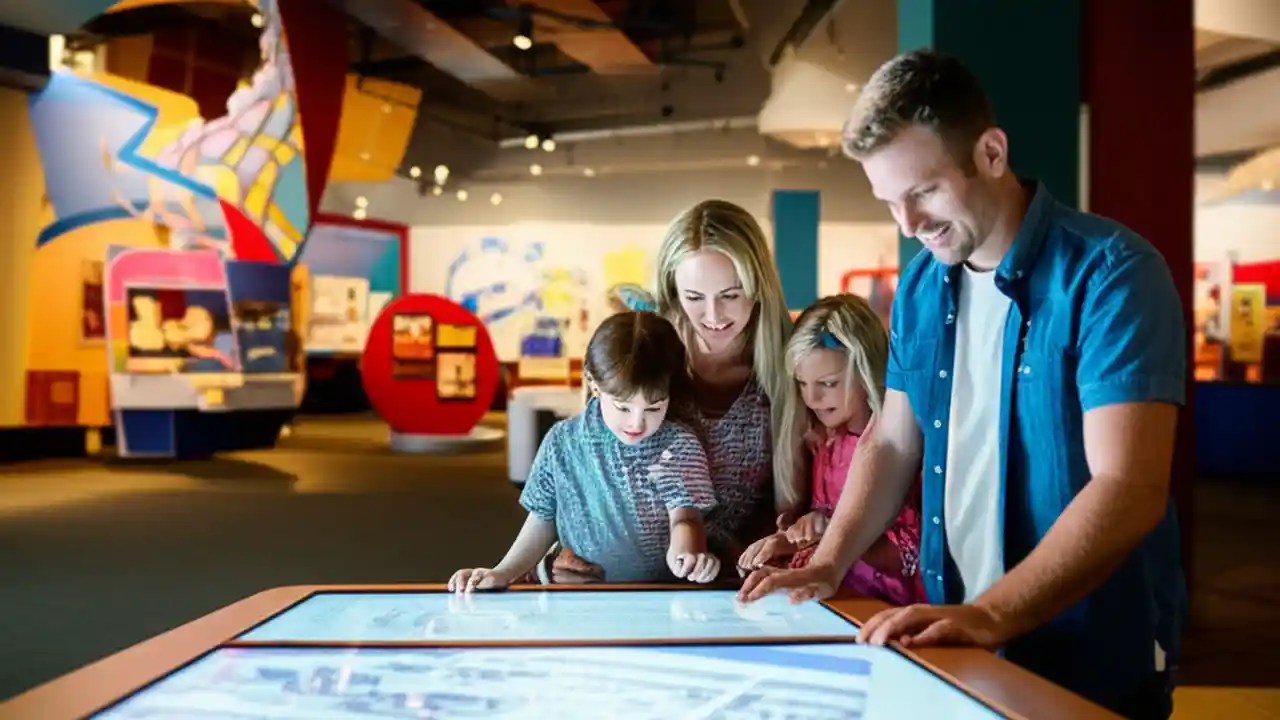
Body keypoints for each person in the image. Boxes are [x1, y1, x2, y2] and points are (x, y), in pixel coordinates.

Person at [739, 50, 1186, 720]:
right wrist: (828, 562)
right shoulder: (921, 286)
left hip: (1088, 649)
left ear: (992, 152)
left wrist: (989, 613)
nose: (908, 224)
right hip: (961, 638)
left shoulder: (1112, 275)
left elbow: (1128, 488)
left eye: (923, 191)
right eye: (889, 201)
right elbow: (892, 441)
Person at [550, 200, 794, 582]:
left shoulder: (789, 363)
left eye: (730, 295)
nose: (713, 317)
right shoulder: (646, 350)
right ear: (672, 290)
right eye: (694, 298)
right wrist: (561, 553)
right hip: (624, 580)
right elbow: (581, 465)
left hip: (740, 583)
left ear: (758, 284)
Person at [449, 311, 721, 591]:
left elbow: (686, 516)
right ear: (594, 383)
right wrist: (503, 572)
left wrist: (688, 555)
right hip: (583, 596)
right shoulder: (562, 441)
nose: (637, 423)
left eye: (654, 408)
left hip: (659, 597)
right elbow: (543, 517)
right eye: (623, 407)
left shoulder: (678, 444)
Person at [737, 294, 925, 607]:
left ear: (867, 370)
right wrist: (789, 540)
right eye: (801, 384)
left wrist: (830, 536)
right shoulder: (823, 443)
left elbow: (910, 553)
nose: (812, 398)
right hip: (832, 602)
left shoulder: (904, 444)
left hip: (884, 608)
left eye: (828, 383)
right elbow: (821, 522)